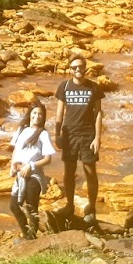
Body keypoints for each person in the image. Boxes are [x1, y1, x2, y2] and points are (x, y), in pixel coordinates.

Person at [53, 56, 104, 226]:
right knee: (69, 172)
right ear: (69, 69)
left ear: (85, 68)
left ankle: (91, 208)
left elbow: (98, 113)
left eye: (81, 66)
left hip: (88, 135)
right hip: (69, 134)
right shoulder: (64, 86)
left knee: (91, 172)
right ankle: (69, 205)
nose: (78, 69)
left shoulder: (94, 87)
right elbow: (59, 113)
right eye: (74, 67)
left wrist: (98, 137)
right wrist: (57, 134)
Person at [9, 102, 56, 240]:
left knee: (31, 210)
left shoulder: (43, 134)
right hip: (19, 175)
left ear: (43, 117)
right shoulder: (21, 130)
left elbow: (48, 159)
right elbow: (15, 150)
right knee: (14, 206)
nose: (37, 116)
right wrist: (12, 166)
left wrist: (31, 166)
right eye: (34, 113)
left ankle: (31, 238)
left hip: (33, 176)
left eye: (40, 114)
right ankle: (27, 235)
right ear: (30, 114)